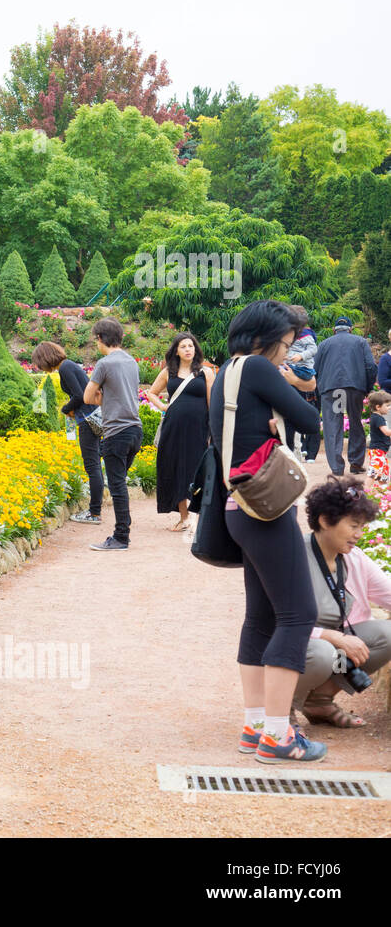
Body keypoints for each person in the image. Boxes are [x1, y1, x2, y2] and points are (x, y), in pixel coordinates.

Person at [210, 300, 325, 763]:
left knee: (260, 618)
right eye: (286, 343)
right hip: (266, 510)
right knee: (297, 614)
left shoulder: (227, 372)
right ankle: (278, 735)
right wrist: (295, 382)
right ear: (264, 338)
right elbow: (310, 421)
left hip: (237, 506)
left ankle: (255, 725)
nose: (288, 351)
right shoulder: (258, 368)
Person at [292, 476, 391, 728]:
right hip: (295, 645)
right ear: (325, 520)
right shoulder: (294, 556)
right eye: (353, 526)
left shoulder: (353, 558)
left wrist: (338, 639)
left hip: (334, 645)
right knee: (323, 653)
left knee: (387, 635)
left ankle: (320, 701)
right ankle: (281, 709)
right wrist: (331, 637)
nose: (359, 534)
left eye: (362, 527)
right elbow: (274, 623)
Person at [82, 318, 142, 551]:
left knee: (117, 486)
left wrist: (103, 398)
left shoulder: (104, 363)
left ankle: (121, 537)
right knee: (120, 484)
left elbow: (88, 397)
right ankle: (122, 534)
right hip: (135, 430)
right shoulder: (132, 362)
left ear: (100, 338)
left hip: (116, 431)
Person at [145, 332, 214, 532]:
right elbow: (151, 393)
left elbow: (212, 404)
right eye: (183, 346)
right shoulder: (169, 372)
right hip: (174, 428)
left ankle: (199, 519)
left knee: (198, 471)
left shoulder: (205, 372)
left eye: (190, 346)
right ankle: (184, 518)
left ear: (195, 349)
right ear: (176, 350)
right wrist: (163, 407)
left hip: (199, 429)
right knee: (177, 469)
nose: (187, 349)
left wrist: (212, 431)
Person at [32, 341, 104, 526]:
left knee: (92, 466)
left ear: (45, 358)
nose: (39, 367)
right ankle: (95, 510)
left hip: (87, 419)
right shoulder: (69, 365)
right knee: (95, 464)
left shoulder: (65, 368)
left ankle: (94, 513)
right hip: (92, 417)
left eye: (39, 363)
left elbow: (79, 395)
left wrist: (65, 409)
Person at [314, 316, 377, 476]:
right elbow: (370, 366)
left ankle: (337, 467)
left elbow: (315, 369)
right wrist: (368, 387)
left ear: (334, 330)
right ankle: (356, 463)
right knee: (355, 422)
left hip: (332, 389)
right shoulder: (361, 342)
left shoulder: (324, 344)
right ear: (350, 329)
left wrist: (320, 388)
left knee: (333, 425)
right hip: (354, 388)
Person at [283, 306, 321, 462]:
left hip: (301, 369)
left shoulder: (305, 335)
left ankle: (302, 453)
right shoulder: (286, 336)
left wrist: (300, 356)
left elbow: (311, 384)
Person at [367, 391, 391, 483]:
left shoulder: (377, 417)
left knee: (383, 474)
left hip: (381, 451)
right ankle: (365, 489)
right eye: (387, 405)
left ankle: (383, 490)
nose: (389, 408)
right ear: (378, 407)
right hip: (378, 451)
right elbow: (387, 432)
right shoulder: (378, 418)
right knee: (373, 473)